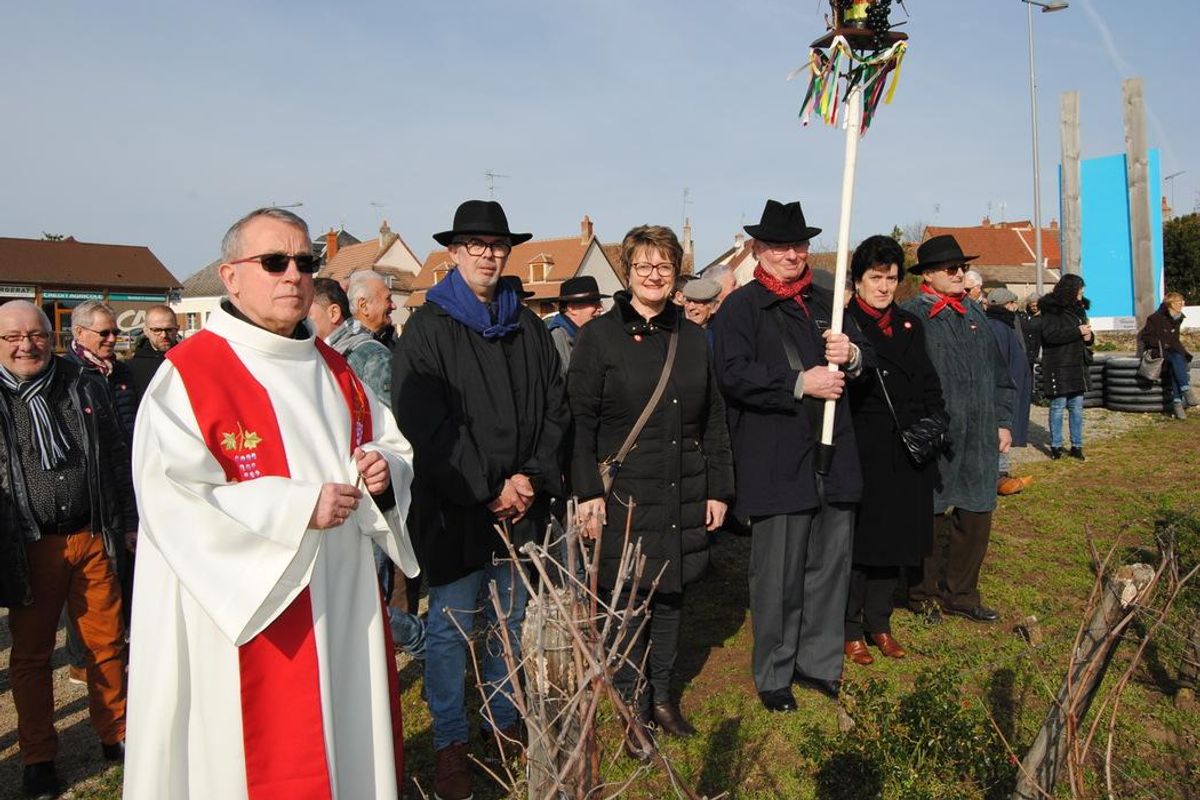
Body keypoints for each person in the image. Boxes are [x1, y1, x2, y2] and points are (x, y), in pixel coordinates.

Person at [124, 207, 417, 799]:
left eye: (305, 262)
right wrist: (294, 507)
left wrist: (386, 473)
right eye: (274, 262)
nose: (293, 276)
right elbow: (172, 498)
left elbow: (387, 442)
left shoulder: (336, 370)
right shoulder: (189, 373)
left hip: (339, 596)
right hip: (242, 607)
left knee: (340, 732)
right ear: (230, 277)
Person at [392, 200, 569, 800]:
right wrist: (489, 487)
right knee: (448, 632)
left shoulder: (527, 326)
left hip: (520, 506)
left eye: (496, 245)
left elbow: (554, 407)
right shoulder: (430, 327)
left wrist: (530, 480)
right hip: (455, 506)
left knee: (507, 621)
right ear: (454, 253)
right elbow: (426, 424)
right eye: (475, 244)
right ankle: (450, 740)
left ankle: (502, 721)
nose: (488, 253)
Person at [569, 225, 734, 752]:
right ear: (627, 272)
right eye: (643, 266)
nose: (654, 275)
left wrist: (718, 489)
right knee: (627, 600)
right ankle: (630, 704)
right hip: (626, 491)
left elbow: (713, 419)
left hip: (683, 484)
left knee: (672, 594)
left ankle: (662, 696)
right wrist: (589, 492)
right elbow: (579, 422)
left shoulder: (693, 336)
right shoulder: (599, 336)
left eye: (664, 265)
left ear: (677, 272)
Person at [713, 199, 869, 710]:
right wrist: (800, 382)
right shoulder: (741, 308)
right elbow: (733, 375)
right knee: (778, 573)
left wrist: (853, 355)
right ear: (759, 249)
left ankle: (818, 662)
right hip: (777, 459)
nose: (792, 254)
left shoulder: (828, 299)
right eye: (780, 245)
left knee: (829, 565)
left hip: (835, 454)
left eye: (799, 244)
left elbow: (863, 359)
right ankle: (775, 672)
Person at [0, 301, 134, 800]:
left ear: (51, 337)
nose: (25, 345)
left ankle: (116, 733)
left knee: (106, 644)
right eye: (11, 337)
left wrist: (129, 522)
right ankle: (38, 757)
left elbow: (117, 457)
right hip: (29, 544)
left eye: (34, 335)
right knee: (32, 657)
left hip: (92, 534)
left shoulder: (83, 384)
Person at [308, 277, 425, 658]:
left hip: (366, 494)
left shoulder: (364, 357)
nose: (393, 306)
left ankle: (421, 641)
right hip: (330, 501)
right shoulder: (314, 359)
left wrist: (383, 465)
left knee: (368, 598)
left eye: (310, 311)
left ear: (334, 312)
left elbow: (398, 424)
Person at [900, 235, 1014, 624]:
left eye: (962, 268)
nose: (960, 274)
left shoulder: (976, 315)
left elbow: (1001, 375)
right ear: (928, 275)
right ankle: (923, 594)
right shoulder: (912, 316)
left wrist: (1002, 421)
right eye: (952, 269)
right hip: (937, 436)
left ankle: (962, 593)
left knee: (977, 511)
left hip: (980, 435)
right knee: (928, 516)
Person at [843, 236, 944, 666]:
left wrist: (934, 420)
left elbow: (925, 380)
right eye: (875, 278)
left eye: (890, 278)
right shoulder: (844, 326)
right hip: (864, 449)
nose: (883, 287)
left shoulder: (909, 325)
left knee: (896, 542)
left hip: (907, 449)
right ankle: (849, 627)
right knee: (861, 545)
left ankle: (880, 623)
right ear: (858, 281)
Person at [66, 301, 139, 443]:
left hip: (128, 460)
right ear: (79, 332)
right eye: (104, 333)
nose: (112, 339)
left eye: (115, 332)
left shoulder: (122, 371)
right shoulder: (66, 374)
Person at [985, 288, 1034, 494]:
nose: (1015, 307)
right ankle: (999, 478)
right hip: (1004, 389)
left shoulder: (1007, 325)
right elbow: (999, 362)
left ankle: (1002, 474)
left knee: (1006, 429)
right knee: (1002, 428)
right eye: (1013, 303)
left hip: (1010, 386)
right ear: (1006, 305)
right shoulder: (997, 327)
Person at [1038, 273, 1093, 458]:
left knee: (1077, 407)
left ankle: (1077, 445)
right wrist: (1076, 331)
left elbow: (1084, 333)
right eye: (1080, 288)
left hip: (1077, 363)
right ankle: (1056, 446)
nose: (1082, 291)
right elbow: (1050, 335)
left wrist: (1089, 337)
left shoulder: (1079, 309)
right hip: (1059, 363)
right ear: (1071, 289)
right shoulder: (1052, 310)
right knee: (1058, 406)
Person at [1139, 291, 1196, 420]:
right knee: (1176, 360)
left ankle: (1178, 402)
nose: (1182, 304)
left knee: (1176, 362)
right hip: (1158, 352)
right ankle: (1184, 391)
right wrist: (1163, 344)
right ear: (1171, 304)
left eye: (1182, 301)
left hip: (1173, 353)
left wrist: (1182, 352)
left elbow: (1175, 340)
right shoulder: (1154, 318)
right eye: (1179, 302)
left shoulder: (1177, 318)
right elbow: (1146, 337)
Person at [545, 275, 608, 374]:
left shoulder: (590, 336)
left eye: (599, 303)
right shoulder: (557, 339)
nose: (600, 309)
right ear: (572, 308)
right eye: (594, 303)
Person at [127, 304, 180, 395]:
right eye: (156, 330)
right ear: (146, 331)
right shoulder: (131, 369)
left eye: (169, 330)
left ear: (177, 329)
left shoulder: (188, 362)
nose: (164, 335)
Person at [348, 269, 398, 350]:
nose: (394, 306)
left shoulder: (389, 339)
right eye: (388, 299)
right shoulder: (354, 350)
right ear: (364, 306)